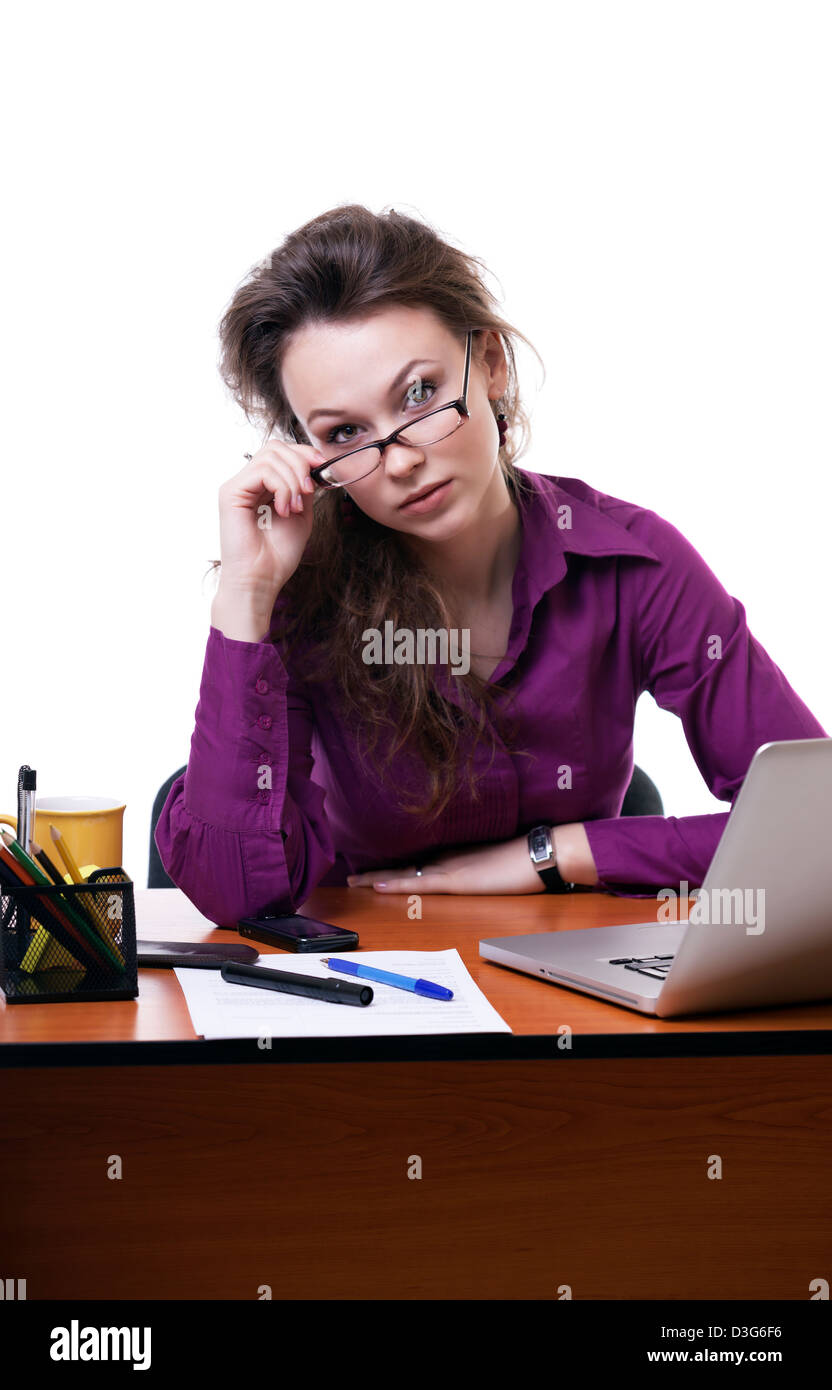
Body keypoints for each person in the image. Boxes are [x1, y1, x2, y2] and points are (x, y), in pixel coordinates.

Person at [154, 203, 827, 929]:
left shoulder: (632, 564)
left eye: (419, 394)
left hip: (571, 985)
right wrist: (245, 596)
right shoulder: (299, 596)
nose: (402, 458)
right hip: (376, 985)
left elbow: (812, 827)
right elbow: (237, 896)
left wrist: (557, 853)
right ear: (313, 458)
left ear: (493, 364)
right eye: (346, 432)